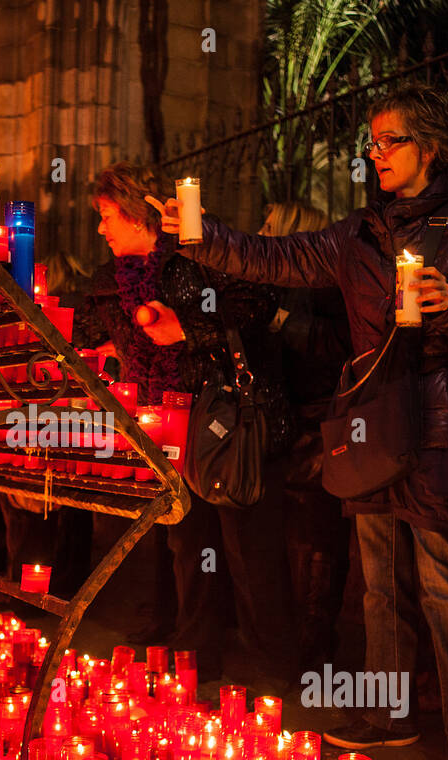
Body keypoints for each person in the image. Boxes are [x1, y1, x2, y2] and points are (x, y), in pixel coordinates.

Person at [152, 85, 448, 760]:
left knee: (445, 587)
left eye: (390, 140)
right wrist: (202, 236)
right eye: (372, 141)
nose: (374, 153)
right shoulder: (357, 236)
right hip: (373, 424)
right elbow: (273, 258)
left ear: (431, 147)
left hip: (441, 424)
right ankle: (390, 711)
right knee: (378, 583)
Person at [74, 161, 296, 686]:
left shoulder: (200, 251)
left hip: (226, 425)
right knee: (189, 545)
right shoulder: (110, 284)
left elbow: (261, 300)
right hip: (167, 428)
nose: (101, 229)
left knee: (248, 546)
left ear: (133, 213)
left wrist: (190, 331)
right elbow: (79, 329)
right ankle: (196, 656)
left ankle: (274, 667)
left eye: (106, 216)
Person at [259, 202, 356, 677]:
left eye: (269, 226)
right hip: (289, 423)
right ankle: (295, 642)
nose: (260, 233)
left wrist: (279, 323)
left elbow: (340, 345)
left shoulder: (325, 285)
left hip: (322, 425)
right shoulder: (278, 285)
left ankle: (315, 644)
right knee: (294, 539)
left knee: (320, 541)